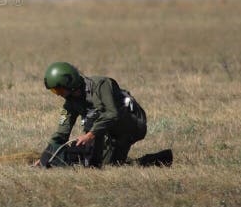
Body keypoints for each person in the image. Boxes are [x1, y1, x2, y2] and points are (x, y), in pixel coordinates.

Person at [35, 61, 163, 168]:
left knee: (94, 122)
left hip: (131, 126)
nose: (57, 94)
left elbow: (112, 114)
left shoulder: (101, 85)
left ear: (70, 82)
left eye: (58, 89)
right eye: (54, 91)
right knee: (111, 165)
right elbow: (61, 133)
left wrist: (90, 135)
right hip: (108, 131)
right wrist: (46, 158)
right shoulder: (71, 102)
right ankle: (162, 158)